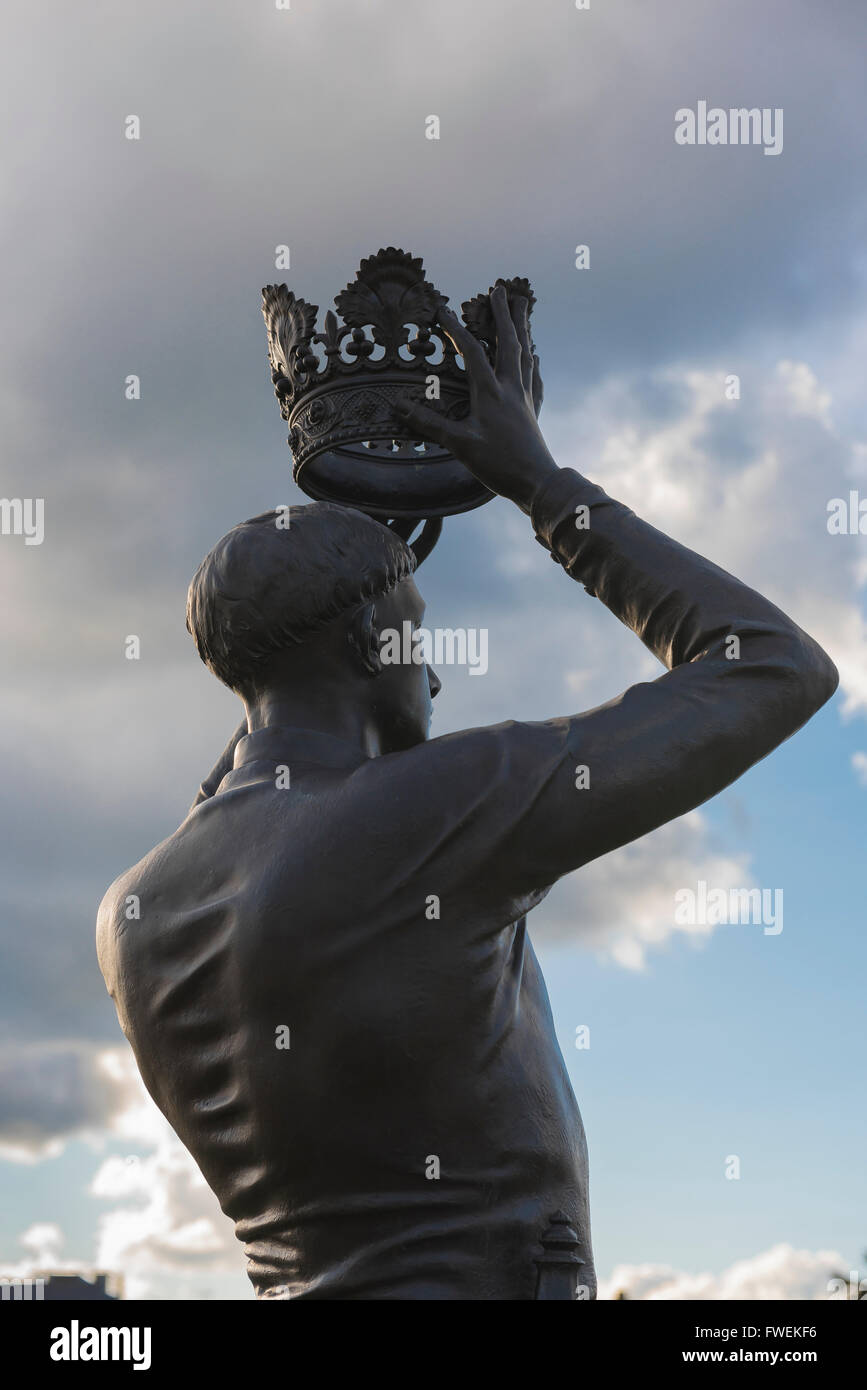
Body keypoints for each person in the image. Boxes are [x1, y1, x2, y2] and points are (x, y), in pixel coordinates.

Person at [97, 285, 838, 1300]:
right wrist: (542, 484)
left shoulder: (135, 908)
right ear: (371, 642)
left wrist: (360, 564)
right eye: (416, 638)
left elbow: (265, 741)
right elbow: (772, 665)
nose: (435, 677)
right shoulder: (425, 812)